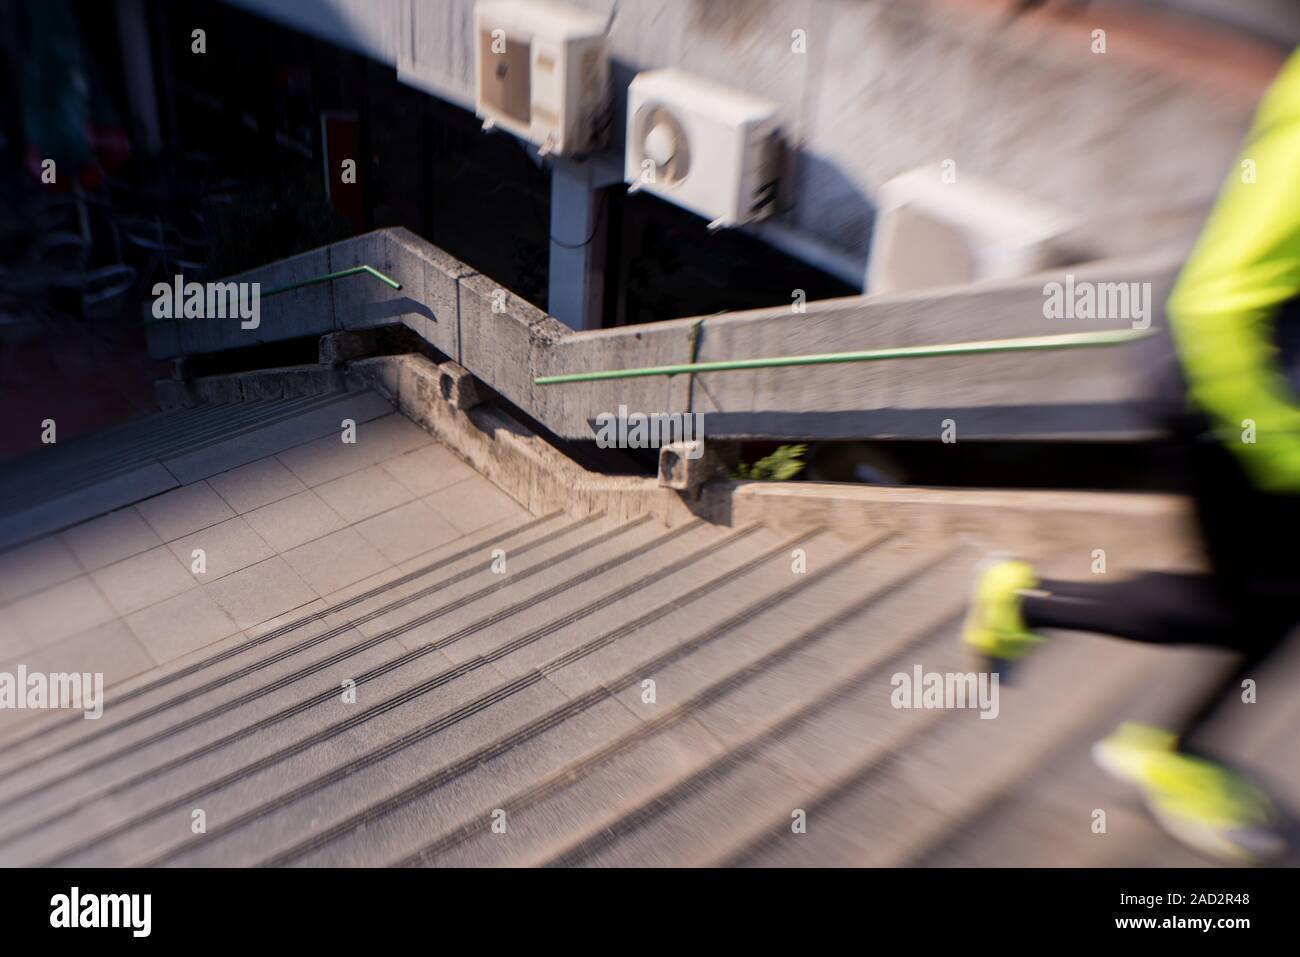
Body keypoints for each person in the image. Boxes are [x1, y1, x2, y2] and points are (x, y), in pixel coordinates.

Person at [963, 47, 1300, 863]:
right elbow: (1216, 309)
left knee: (1261, 600)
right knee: (1253, 603)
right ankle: (1151, 732)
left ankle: (1035, 609)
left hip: (1253, 399)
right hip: (1230, 401)